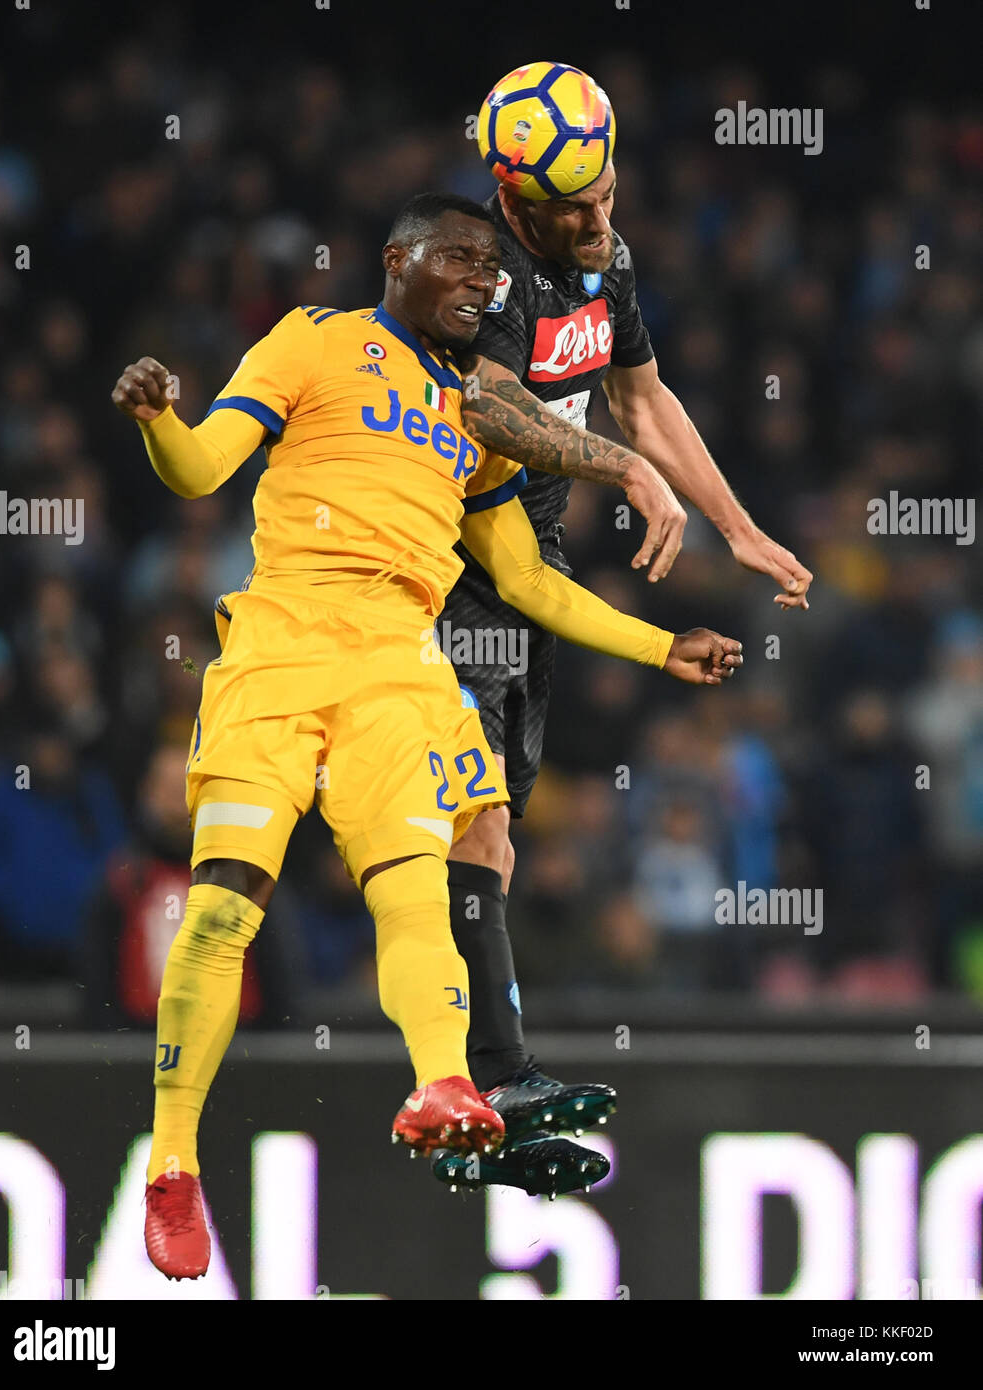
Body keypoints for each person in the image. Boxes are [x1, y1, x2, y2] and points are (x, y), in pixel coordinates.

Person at [112, 191, 742, 1278]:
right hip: (278, 646)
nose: (483, 281)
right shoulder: (316, 340)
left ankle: (445, 1082)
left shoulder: (474, 418)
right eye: (461, 258)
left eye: (493, 270)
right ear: (398, 259)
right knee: (221, 906)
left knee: (418, 887)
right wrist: (160, 420)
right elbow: (203, 467)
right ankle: (172, 1162)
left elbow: (525, 579)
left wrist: (655, 647)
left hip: (398, 665)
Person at [433, 93, 812, 1192]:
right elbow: (487, 409)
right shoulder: (476, 273)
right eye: (575, 206)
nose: (601, 215)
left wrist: (736, 528)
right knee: (470, 825)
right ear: (514, 198)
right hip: (441, 572)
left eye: (606, 188)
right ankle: (480, 1083)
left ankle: (472, 1097)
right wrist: (621, 472)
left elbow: (639, 400)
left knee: (485, 841)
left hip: (520, 576)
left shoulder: (602, 254)